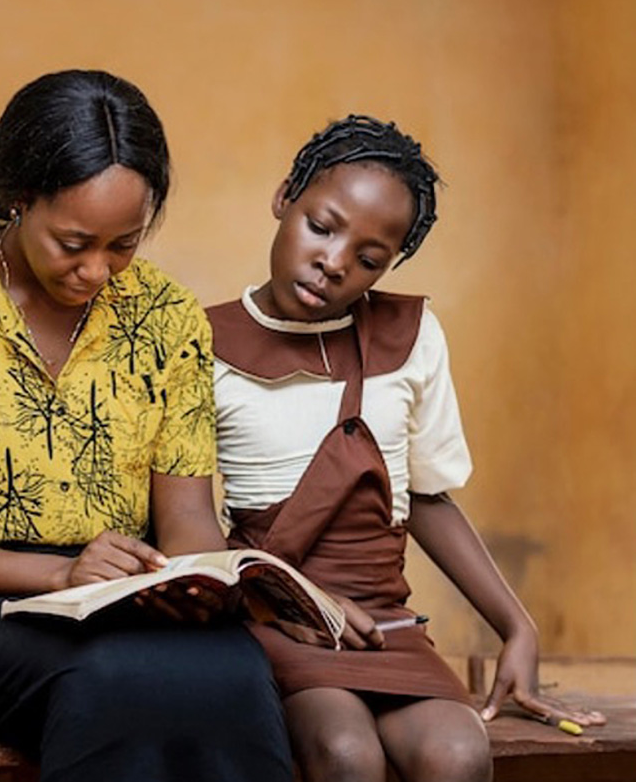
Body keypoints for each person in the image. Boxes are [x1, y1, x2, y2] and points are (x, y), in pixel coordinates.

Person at [0, 69, 294, 782]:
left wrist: (189, 579)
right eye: (73, 242)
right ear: (16, 198)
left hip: (128, 590)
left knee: (234, 673)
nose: (96, 269)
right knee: (110, 677)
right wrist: (62, 573)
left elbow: (185, 515)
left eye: (123, 244)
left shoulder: (166, 316)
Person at [206, 114, 606, 782]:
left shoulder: (412, 335)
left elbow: (425, 496)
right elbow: (180, 519)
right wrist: (277, 598)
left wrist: (517, 626)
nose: (333, 263)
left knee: (456, 752)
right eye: (321, 226)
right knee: (345, 753)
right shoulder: (201, 341)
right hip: (276, 618)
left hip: (384, 623)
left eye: (368, 259)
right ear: (284, 197)